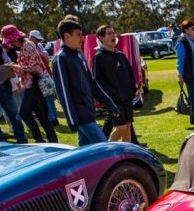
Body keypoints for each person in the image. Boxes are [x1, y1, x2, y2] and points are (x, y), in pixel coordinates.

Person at [52, 17, 119, 145]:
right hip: (81, 116)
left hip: (89, 111)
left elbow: (92, 83)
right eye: (78, 35)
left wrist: (110, 103)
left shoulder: (78, 55)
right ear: (67, 36)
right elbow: (63, 93)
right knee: (104, 147)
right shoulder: (60, 59)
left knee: (85, 153)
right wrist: (72, 119)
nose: (82, 39)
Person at [1, 24, 58, 143]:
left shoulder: (26, 46)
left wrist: (13, 67)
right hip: (33, 84)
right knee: (41, 114)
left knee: (25, 113)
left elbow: (34, 67)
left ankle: (39, 139)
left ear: (15, 38)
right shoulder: (27, 45)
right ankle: (50, 139)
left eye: (11, 41)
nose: (11, 44)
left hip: (35, 84)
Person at [93, 25, 139, 142]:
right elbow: (98, 80)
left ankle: (126, 154)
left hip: (127, 99)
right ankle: (107, 151)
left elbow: (130, 74)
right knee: (121, 127)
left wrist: (133, 89)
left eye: (113, 32)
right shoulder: (99, 57)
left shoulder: (121, 55)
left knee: (128, 126)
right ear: (101, 38)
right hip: (114, 101)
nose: (113, 35)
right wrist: (110, 96)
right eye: (109, 33)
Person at [29, 29, 58, 126]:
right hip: (42, 76)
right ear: (31, 38)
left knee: (48, 98)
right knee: (47, 98)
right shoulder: (37, 49)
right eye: (36, 39)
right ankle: (52, 117)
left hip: (43, 77)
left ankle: (52, 118)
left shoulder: (38, 49)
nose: (38, 41)